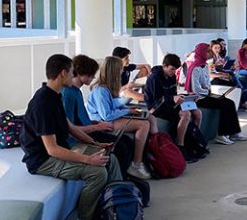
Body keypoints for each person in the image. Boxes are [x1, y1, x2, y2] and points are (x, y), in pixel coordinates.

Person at [20, 54, 122, 220]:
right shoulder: (43, 103)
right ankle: (87, 217)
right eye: (72, 72)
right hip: (42, 161)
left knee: (110, 158)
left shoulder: (55, 95)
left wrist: (97, 144)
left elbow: (70, 127)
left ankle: (115, 205)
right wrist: (88, 160)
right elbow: (52, 149)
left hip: (59, 151)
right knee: (98, 173)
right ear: (63, 73)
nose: (74, 75)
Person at [62, 55, 135, 176]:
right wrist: (97, 127)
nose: (93, 78)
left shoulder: (76, 91)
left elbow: (81, 119)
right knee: (121, 147)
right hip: (79, 137)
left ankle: (124, 176)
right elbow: (70, 129)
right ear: (80, 73)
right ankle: (118, 180)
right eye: (90, 75)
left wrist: (96, 124)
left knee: (126, 140)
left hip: (89, 130)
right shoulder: (68, 94)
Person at [87, 56, 155, 179]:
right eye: (120, 70)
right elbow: (106, 116)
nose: (122, 72)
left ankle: (151, 155)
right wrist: (128, 110)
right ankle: (136, 164)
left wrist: (126, 103)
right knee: (143, 125)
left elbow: (113, 104)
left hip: (109, 119)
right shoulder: (100, 90)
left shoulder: (106, 88)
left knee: (148, 117)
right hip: (102, 123)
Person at [145, 53, 204, 162]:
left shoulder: (171, 77)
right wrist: (172, 98)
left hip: (169, 104)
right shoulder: (154, 78)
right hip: (156, 108)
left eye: (175, 69)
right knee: (186, 114)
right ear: (164, 65)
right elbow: (156, 101)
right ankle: (180, 146)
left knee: (197, 112)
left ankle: (194, 142)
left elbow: (173, 93)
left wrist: (186, 98)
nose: (173, 72)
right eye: (171, 69)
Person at [185, 43, 247, 145]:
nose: (210, 53)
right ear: (201, 52)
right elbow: (196, 89)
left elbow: (206, 83)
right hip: (198, 98)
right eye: (207, 51)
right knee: (225, 104)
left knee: (230, 102)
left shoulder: (204, 65)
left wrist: (207, 88)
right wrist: (206, 90)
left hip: (206, 94)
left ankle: (234, 132)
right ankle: (221, 134)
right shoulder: (195, 67)